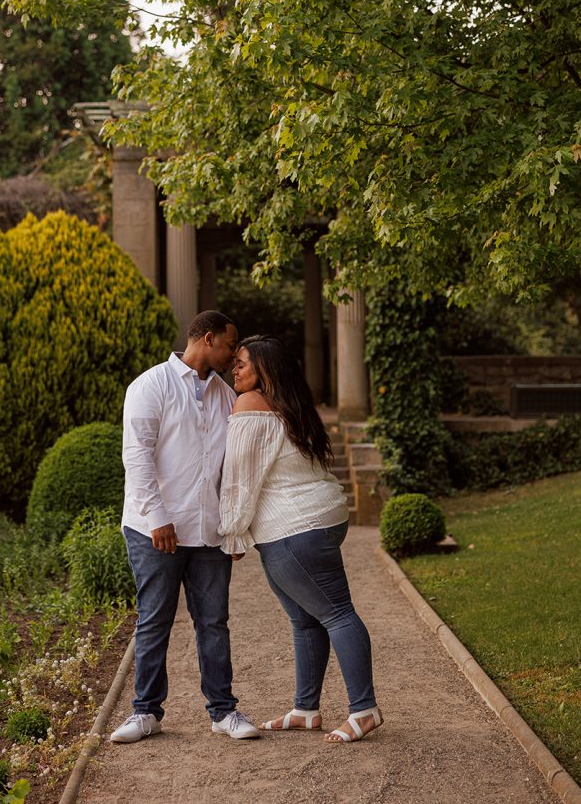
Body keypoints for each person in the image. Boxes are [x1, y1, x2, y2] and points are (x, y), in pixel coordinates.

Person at [219, 334, 383, 744]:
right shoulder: (291, 406)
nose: (233, 370)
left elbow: (240, 478)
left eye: (241, 363)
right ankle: (306, 709)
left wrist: (232, 533)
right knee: (304, 620)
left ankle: (364, 710)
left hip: (295, 528)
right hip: (317, 519)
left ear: (265, 370)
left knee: (337, 614)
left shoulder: (250, 404)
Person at [110, 310, 261, 743]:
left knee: (213, 622)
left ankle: (223, 711)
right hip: (154, 529)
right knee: (154, 620)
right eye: (231, 346)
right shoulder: (150, 385)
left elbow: (232, 470)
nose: (235, 356)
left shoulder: (225, 396)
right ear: (208, 339)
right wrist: (157, 517)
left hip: (209, 532)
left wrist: (234, 529)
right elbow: (136, 456)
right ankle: (145, 713)